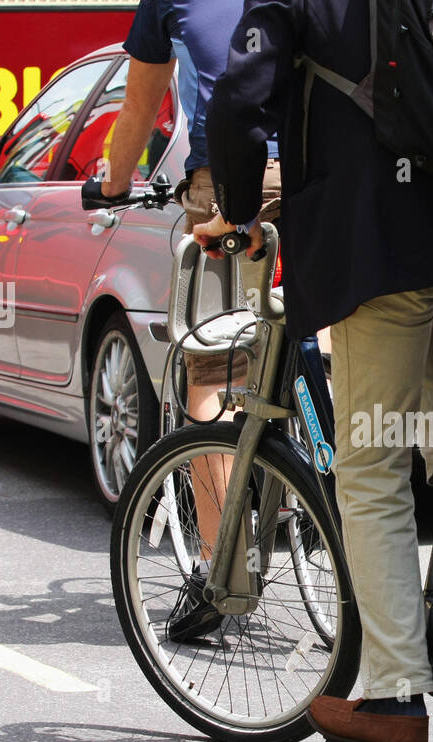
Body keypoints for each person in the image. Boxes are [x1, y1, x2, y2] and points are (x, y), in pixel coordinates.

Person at [194, 0, 433, 742]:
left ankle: (392, 695)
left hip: (383, 243)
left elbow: (236, 101)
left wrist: (234, 209)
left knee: (367, 470)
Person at [96, 0, 282, 639]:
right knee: (320, 351)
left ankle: (221, 571)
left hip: (229, 186)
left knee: (213, 369)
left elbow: (140, 105)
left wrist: (114, 184)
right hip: (319, 181)